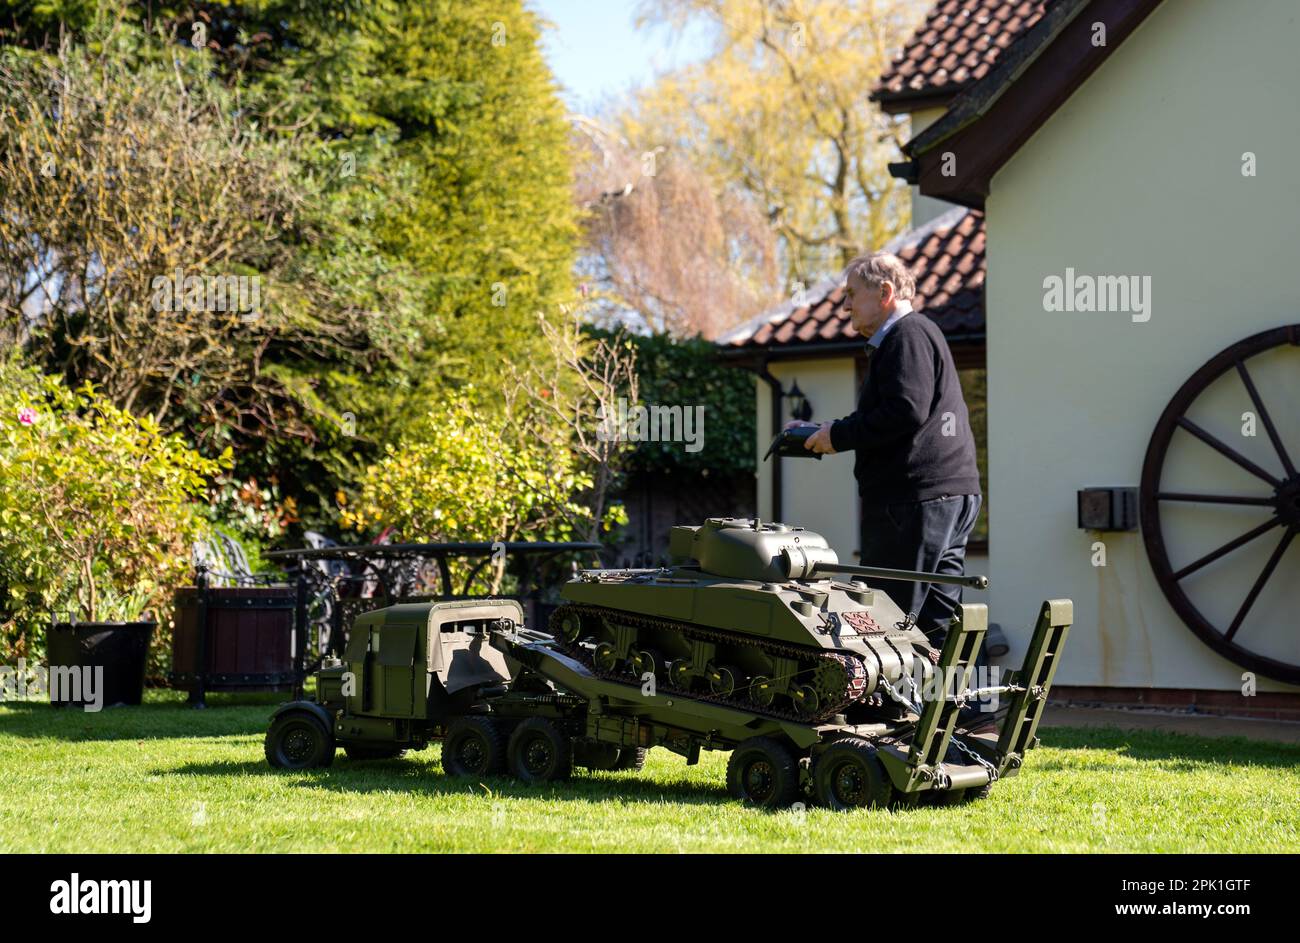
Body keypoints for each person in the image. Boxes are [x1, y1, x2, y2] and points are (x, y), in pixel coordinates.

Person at [799, 251, 982, 651]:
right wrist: (825, 431)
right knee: (937, 620)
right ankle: (961, 711)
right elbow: (897, 410)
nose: (844, 305)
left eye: (851, 294)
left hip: (913, 501)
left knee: (887, 618)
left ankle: (886, 711)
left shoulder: (906, 335)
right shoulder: (918, 334)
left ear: (884, 292)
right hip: (947, 495)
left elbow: (904, 410)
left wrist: (839, 436)